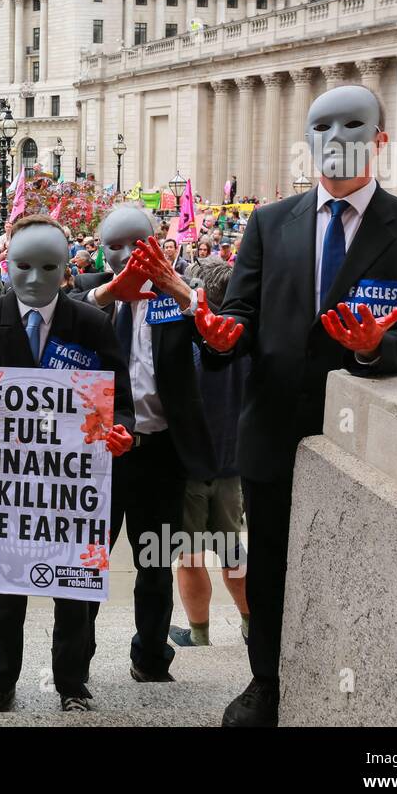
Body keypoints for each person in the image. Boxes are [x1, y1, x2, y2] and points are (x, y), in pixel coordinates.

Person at [196, 84, 397, 726]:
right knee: (270, 567)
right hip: (273, 432)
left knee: (361, 566)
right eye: (321, 128)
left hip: (364, 440)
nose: (335, 141)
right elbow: (241, 317)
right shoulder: (267, 222)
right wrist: (221, 338)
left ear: (380, 142)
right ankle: (266, 683)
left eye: (352, 127)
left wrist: (375, 348)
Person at [0, 214, 134, 713]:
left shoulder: (91, 323)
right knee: (8, 585)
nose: (32, 279)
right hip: (7, 486)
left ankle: (73, 683)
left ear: (67, 267)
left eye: (46, 267)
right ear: (7, 264)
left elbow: (121, 399)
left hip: (70, 484)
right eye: (22, 266)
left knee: (73, 588)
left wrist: (121, 432)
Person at [82, 209, 218, 687]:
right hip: (98, 456)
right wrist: (106, 293)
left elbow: (220, 339)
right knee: (85, 561)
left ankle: (151, 658)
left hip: (160, 453)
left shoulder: (179, 294)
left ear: (155, 245)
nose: (122, 257)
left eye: (133, 245)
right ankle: (76, 660)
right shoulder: (92, 291)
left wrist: (181, 292)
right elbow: (54, 317)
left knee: (155, 563)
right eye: (111, 247)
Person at [168, 256, 249, 649]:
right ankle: (252, 625)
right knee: (234, 552)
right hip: (232, 466)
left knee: (190, 556)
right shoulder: (246, 340)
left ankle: (199, 635)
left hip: (190, 468)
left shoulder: (193, 343)